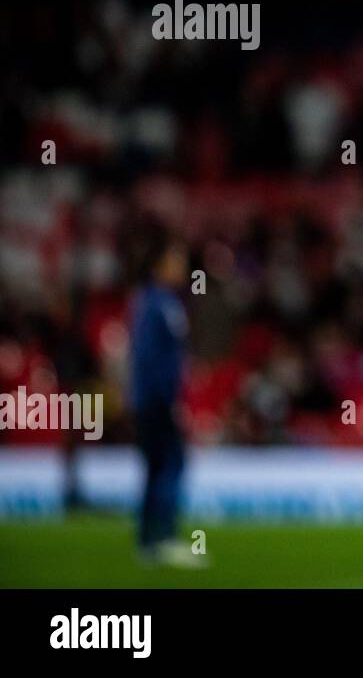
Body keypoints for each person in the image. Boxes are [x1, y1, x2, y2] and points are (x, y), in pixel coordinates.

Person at [128, 228, 205, 568]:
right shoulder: (156, 303)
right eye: (176, 260)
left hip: (150, 399)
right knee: (170, 465)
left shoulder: (159, 302)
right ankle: (165, 538)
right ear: (158, 264)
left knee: (157, 468)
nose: (183, 267)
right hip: (155, 401)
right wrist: (168, 398)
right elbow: (149, 358)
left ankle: (149, 542)